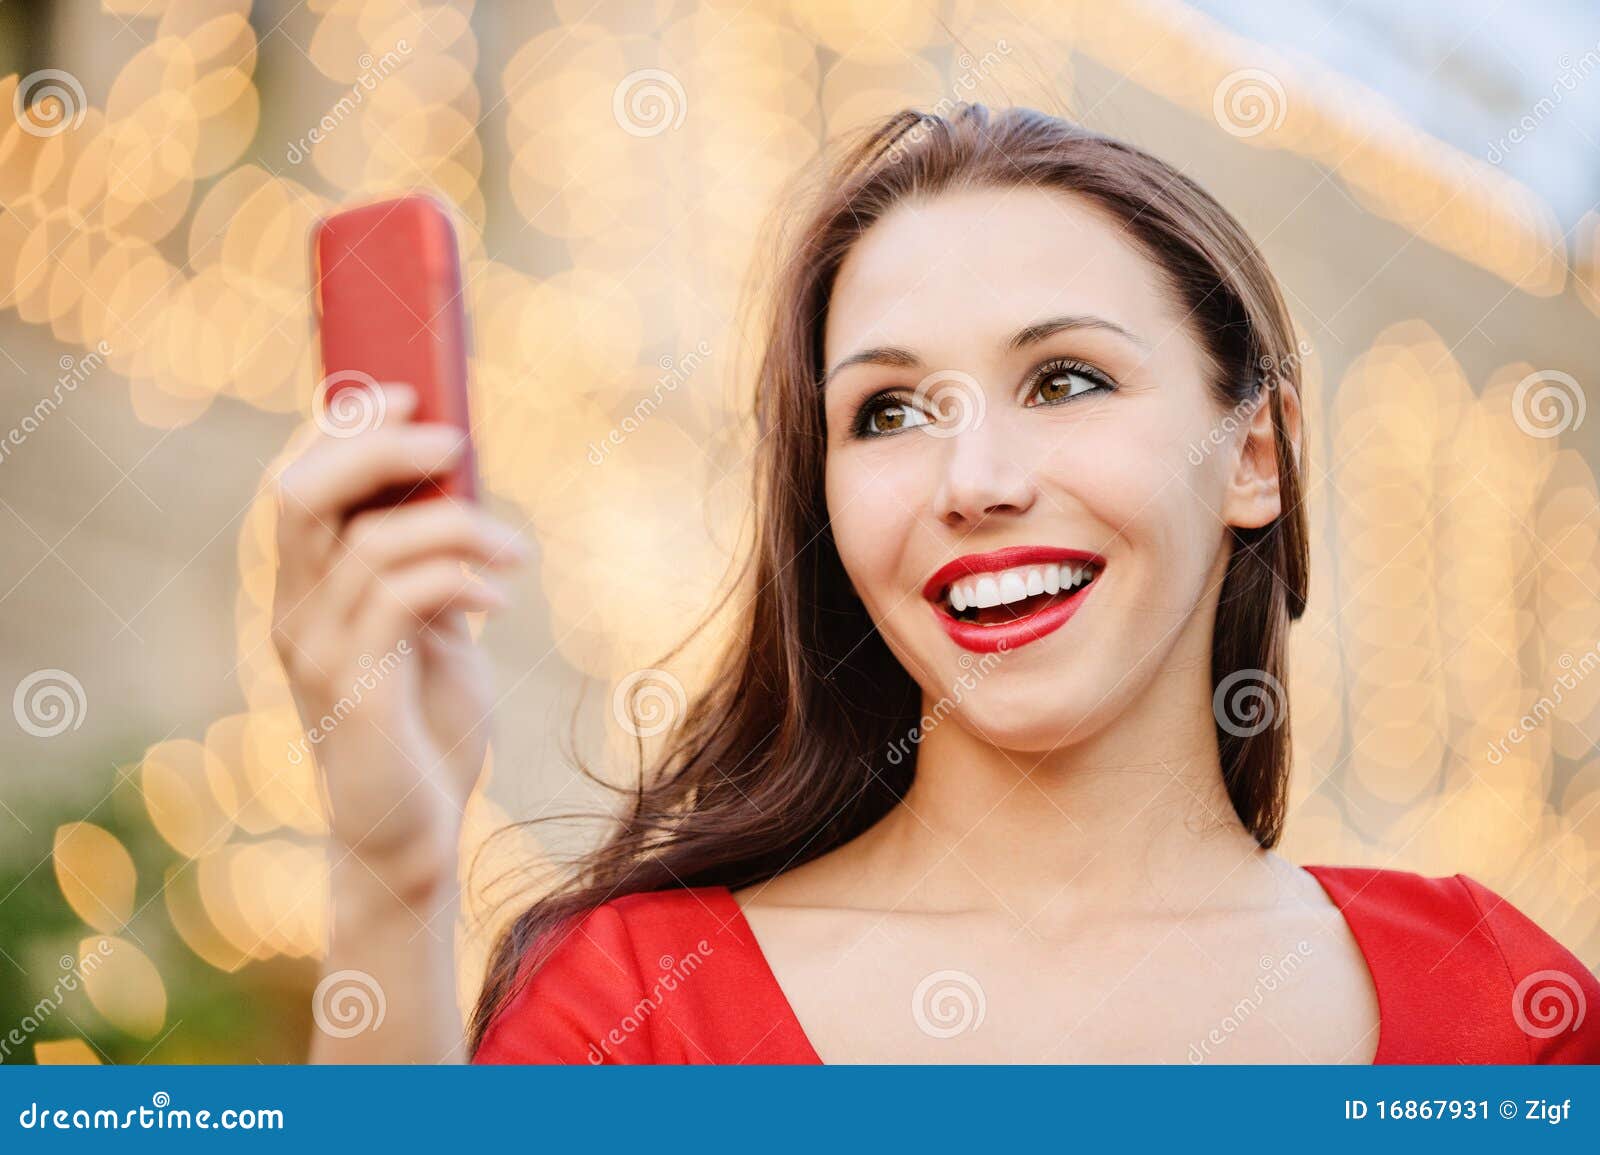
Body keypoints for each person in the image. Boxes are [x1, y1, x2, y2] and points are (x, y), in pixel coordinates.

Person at [272, 103, 1600, 1065]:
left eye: (1066, 379)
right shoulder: (640, 1006)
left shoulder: (1496, 1007)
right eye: (891, 411)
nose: (975, 478)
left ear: (1252, 452)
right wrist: (392, 874)